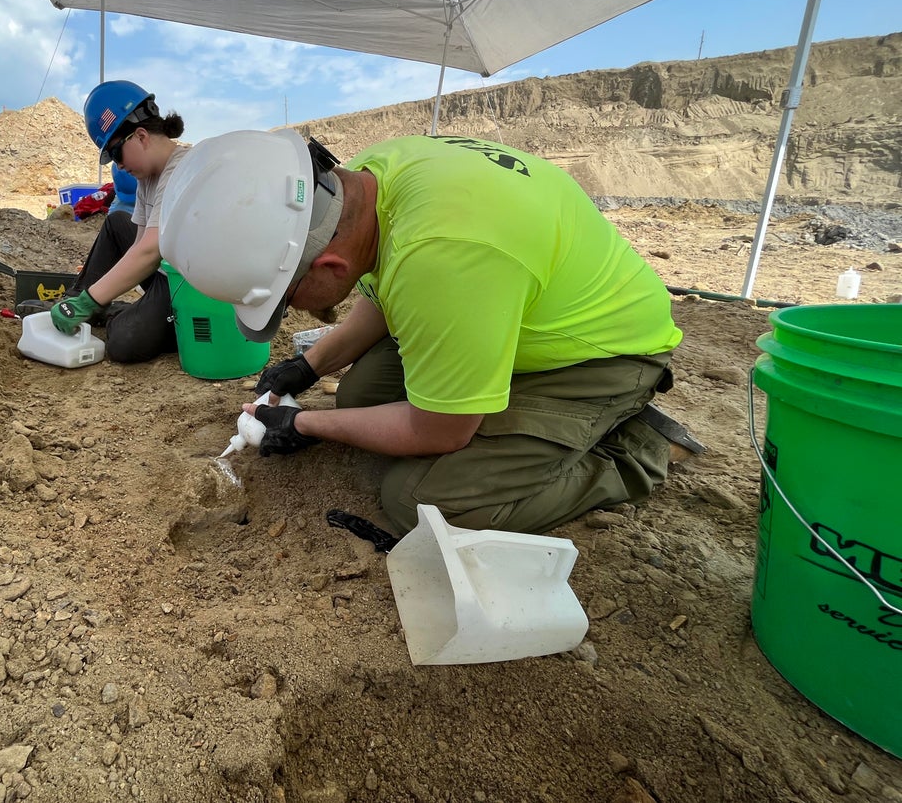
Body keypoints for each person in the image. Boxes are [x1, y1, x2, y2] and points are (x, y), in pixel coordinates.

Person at [159, 130, 697, 535]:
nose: (292, 310)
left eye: (287, 299)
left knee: (421, 499)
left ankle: (637, 450)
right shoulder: (365, 182)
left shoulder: (441, 258)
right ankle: (519, 416)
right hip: (506, 304)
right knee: (361, 395)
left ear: (327, 267)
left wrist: (308, 425)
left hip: (598, 352)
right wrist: (309, 366)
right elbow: (382, 292)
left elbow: (441, 431)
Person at [50, 80, 187, 363]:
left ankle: (106, 310)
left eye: (114, 153)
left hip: (186, 283)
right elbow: (137, 244)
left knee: (124, 341)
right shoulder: (148, 178)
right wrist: (87, 297)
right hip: (166, 269)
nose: (118, 165)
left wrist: (93, 300)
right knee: (116, 224)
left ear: (140, 136)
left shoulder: (182, 170)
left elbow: (150, 252)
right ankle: (75, 302)